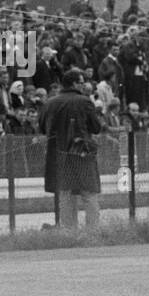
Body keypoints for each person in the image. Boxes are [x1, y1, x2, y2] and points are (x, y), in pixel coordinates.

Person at [40, 68, 103, 229]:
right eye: (82, 82)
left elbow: (42, 128)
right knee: (89, 192)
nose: (84, 85)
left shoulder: (50, 102)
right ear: (74, 83)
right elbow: (96, 127)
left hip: (58, 154)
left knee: (65, 193)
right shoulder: (84, 101)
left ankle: (69, 233)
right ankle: (93, 232)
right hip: (81, 151)